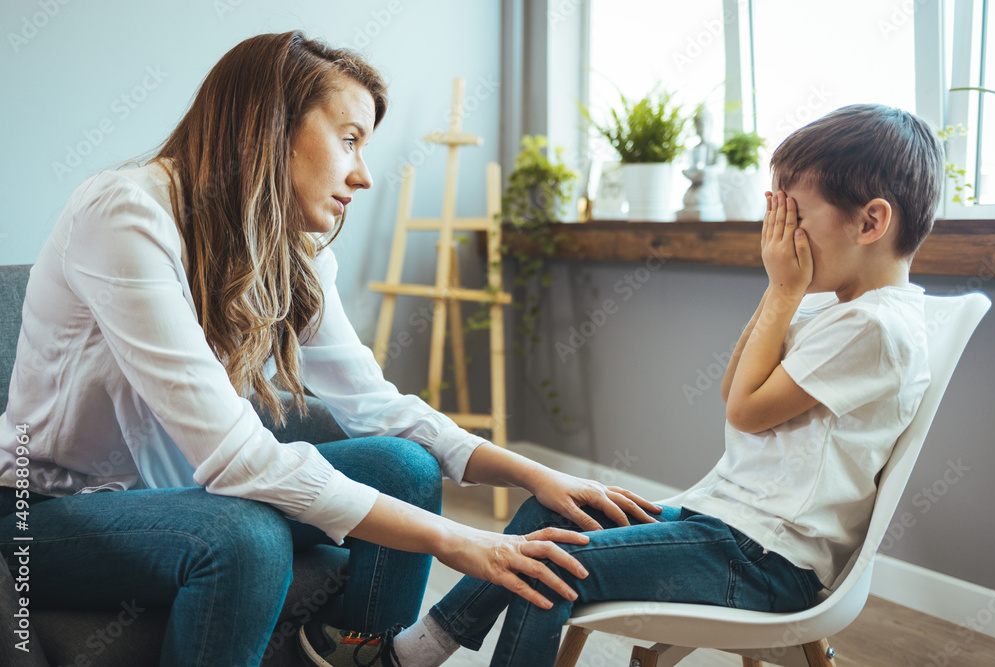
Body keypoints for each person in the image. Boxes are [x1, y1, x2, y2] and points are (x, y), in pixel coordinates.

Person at [0, 31, 662, 667]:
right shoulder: (124, 213)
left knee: (404, 464)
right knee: (246, 541)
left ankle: (355, 654)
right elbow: (237, 459)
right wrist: (462, 541)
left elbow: (375, 405)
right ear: (269, 127)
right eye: (349, 140)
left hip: (180, 490)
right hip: (49, 511)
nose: (364, 175)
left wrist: (536, 473)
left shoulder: (294, 249)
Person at [300, 103, 943, 667]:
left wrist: (781, 292)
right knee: (562, 509)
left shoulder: (877, 328)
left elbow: (746, 411)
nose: (776, 236)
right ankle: (419, 651)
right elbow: (732, 387)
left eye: (792, 217)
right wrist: (784, 294)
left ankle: (412, 654)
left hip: (768, 559)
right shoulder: (829, 305)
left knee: (551, 566)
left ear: (870, 222)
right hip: (724, 524)